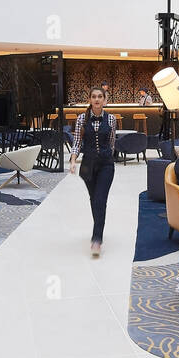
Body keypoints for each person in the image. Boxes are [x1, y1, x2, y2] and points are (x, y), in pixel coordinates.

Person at [70, 86, 116, 257]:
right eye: (94, 96)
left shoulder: (111, 119)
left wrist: (106, 157)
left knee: (99, 200)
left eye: (100, 97)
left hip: (106, 165)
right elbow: (76, 142)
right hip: (88, 166)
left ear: (104, 100)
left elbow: (112, 143)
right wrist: (73, 161)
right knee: (93, 199)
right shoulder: (82, 118)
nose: (97, 99)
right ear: (89, 99)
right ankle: (98, 228)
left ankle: (97, 238)